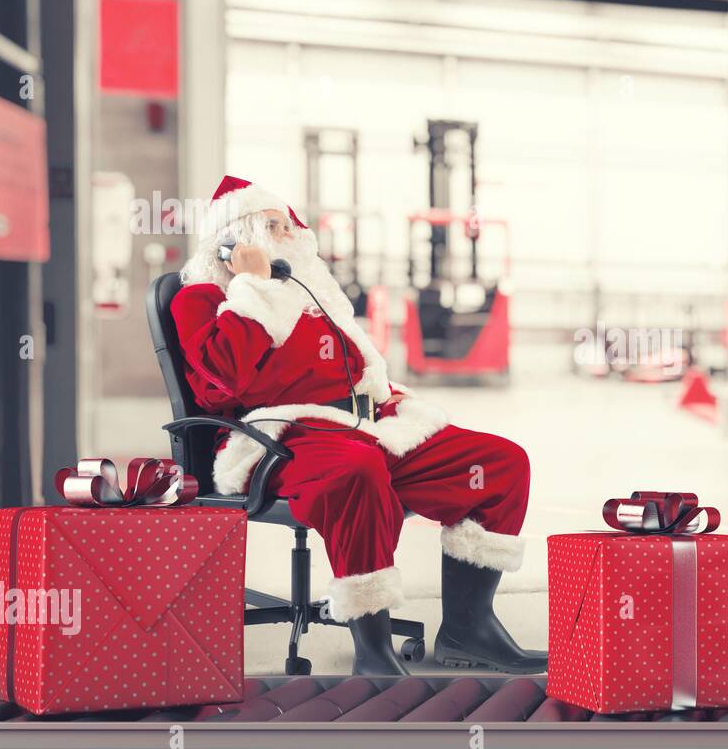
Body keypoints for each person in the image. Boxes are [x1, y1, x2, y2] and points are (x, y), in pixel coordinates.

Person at [172, 175, 545, 675]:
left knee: (499, 463)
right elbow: (224, 380)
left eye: (288, 224)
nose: (289, 234)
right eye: (273, 226)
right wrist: (253, 286)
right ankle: (373, 652)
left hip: (363, 424)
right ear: (234, 242)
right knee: (358, 469)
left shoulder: (309, 296)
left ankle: (468, 629)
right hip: (279, 437)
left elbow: (358, 369)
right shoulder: (201, 299)